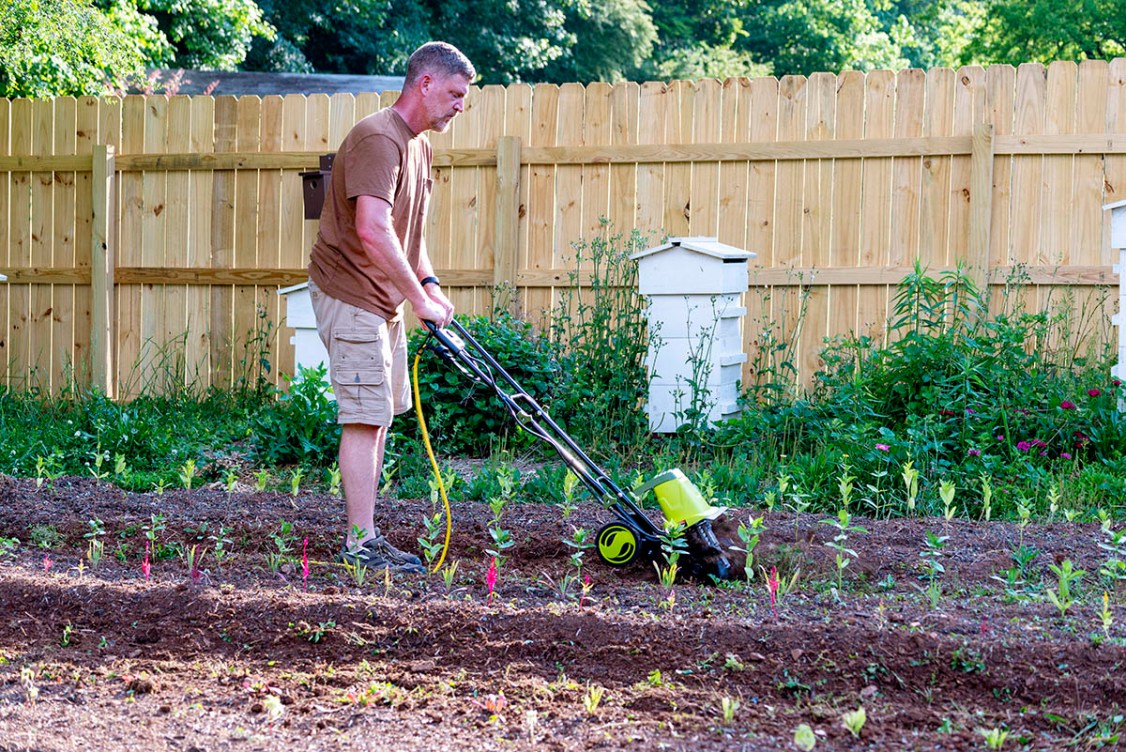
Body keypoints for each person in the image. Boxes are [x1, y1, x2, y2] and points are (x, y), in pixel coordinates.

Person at [307, 41, 475, 573]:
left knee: (379, 417)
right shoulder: (379, 139)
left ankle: (367, 536)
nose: (459, 106)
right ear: (424, 83)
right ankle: (361, 544)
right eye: (454, 93)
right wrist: (417, 299)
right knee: (363, 417)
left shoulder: (418, 144)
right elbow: (372, 230)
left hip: (383, 298)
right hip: (352, 291)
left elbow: (408, 231)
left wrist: (428, 283)